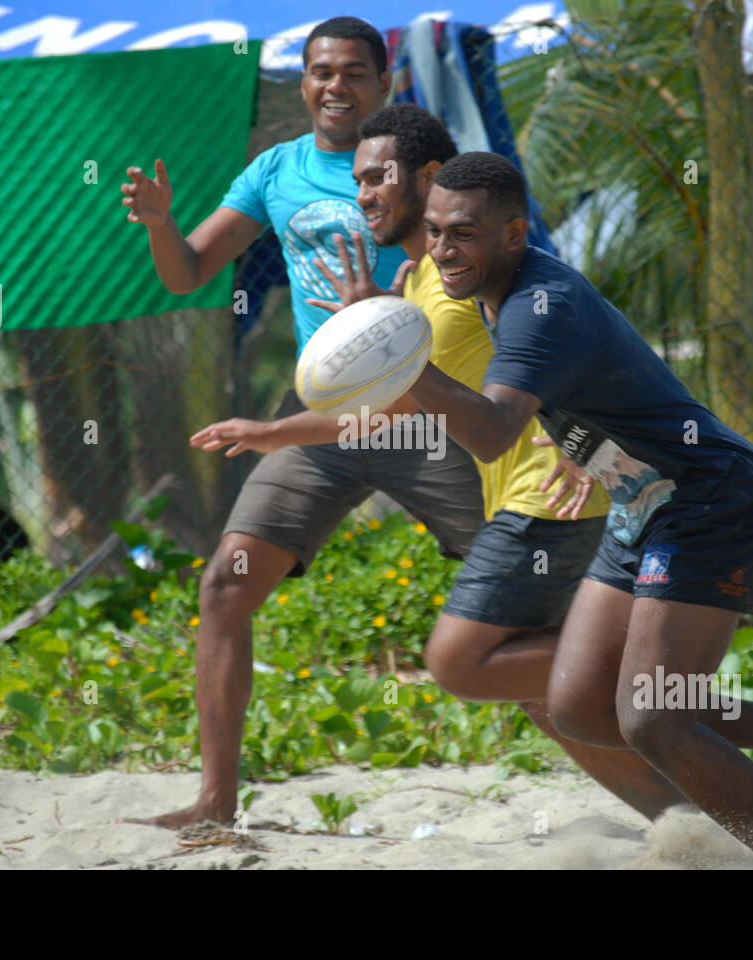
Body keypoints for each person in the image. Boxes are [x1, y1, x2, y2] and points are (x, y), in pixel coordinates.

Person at [198, 103, 690, 821]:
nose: (362, 193)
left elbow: (574, 343)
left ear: (428, 177)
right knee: (520, 675)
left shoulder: (475, 274)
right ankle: (684, 818)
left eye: (377, 178)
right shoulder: (428, 279)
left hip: (549, 494)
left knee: (475, 663)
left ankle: (694, 709)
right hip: (522, 493)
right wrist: (286, 427)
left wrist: (583, 441)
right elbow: (418, 400)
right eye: (356, 180)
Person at [405, 151, 753, 869]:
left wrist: (399, 361)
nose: (441, 250)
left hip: (710, 499)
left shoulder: (537, 307)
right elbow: (600, 386)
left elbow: (490, 434)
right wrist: (581, 449)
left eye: (461, 233)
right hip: (640, 503)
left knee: (651, 716)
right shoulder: (495, 292)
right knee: (581, 706)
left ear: (514, 233)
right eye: (432, 231)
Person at [118, 17, 484, 830]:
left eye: (354, 73)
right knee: (224, 586)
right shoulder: (274, 171)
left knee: (535, 597)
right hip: (320, 417)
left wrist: (388, 314)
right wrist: (158, 227)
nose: (335, 86)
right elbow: (189, 273)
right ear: (303, 84)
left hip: (425, 413)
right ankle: (214, 803)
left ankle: (655, 733)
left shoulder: (429, 174)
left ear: (383, 86)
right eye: (320, 72)